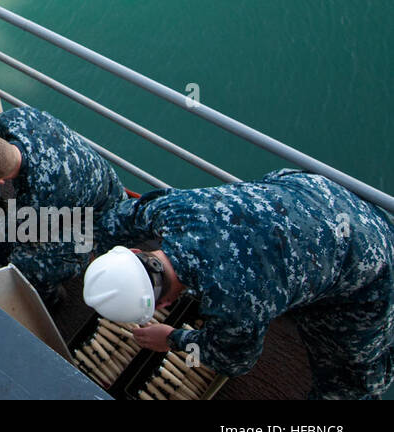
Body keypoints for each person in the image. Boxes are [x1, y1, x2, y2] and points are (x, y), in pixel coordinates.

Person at [83, 170, 394, 400]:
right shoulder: (171, 208)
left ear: (163, 305)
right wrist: (103, 262)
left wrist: (174, 339)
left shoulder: (235, 303)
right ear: (135, 251)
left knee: (348, 382)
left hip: (369, 263)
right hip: (314, 191)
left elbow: (235, 360)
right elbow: (118, 220)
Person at [0, 107, 128, 301]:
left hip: (100, 218)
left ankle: (51, 298)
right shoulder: (11, 119)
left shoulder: (41, 197)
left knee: (23, 264)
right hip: (97, 180)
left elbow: (10, 231)